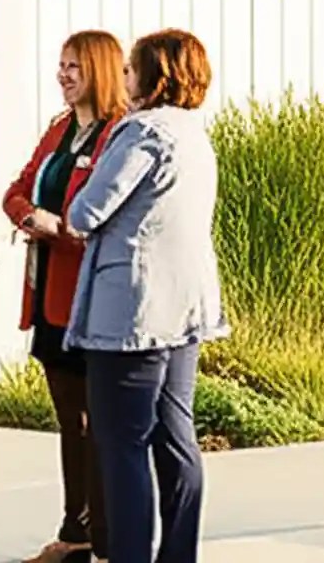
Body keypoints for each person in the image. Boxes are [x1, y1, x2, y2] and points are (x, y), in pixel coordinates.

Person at [64, 28, 230, 562]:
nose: (125, 80)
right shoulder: (195, 135)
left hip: (132, 314)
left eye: (131, 70)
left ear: (155, 78)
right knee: (176, 437)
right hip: (186, 309)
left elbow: (87, 211)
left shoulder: (142, 134)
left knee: (122, 446)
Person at [2, 31, 128, 563]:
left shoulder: (120, 132)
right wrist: (31, 216)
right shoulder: (58, 130)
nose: (63, 74)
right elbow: (17, 189)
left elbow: (100, 215)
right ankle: (75, 529)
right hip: (50, 294)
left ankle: (107, 536)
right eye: (60, 65)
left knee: (99, 422)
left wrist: (57, 225)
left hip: (93, 297)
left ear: (98, 69)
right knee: (69, 419)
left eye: (73, 65)